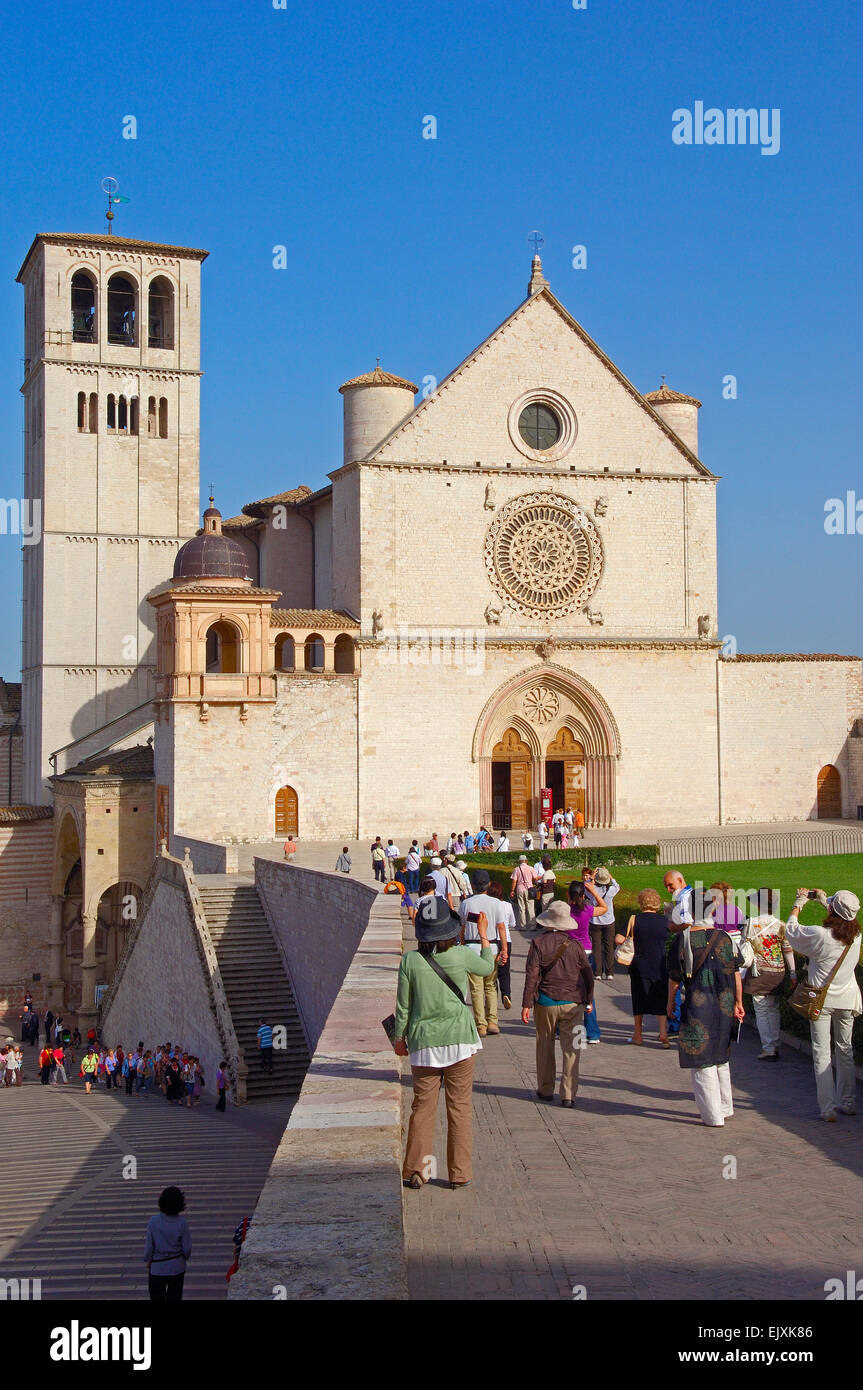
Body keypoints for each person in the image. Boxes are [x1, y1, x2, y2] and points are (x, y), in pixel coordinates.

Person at [395, 894, 495, 1190]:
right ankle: (459, 1173)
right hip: (460, 1041)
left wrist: (399, 1039)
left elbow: (403, 1006)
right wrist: (485, 937)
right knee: (460, 1107)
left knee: (423, 1107)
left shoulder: (410, 960)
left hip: (424, 1044)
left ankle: (417, 1170)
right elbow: (487, 969)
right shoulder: (462, 954)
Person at [785, 888, 861, 1121]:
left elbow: (791, 931)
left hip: (821, 1000)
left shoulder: (820, 934)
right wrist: (823, 900)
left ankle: (827, 1108)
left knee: (822, 1053)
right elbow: (841, 916)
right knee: (845, 1050)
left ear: (833, 911)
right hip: (847, 999)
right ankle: (847, 1101)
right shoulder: (857, 937)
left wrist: (798, 903)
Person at [667, 917, 744, 1126]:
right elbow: (736, 973)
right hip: (725, 1002)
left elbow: (675, 977)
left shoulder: (684, 939)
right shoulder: (726, 937)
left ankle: (713, 1115)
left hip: (698, 1003)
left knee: (701, 1058)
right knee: (721, 1054)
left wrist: (669, 1003)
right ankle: (726, 1107)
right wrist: (739, 1001)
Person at [522, 900, 595, 1107]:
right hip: (573, 1003)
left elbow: (532, 975)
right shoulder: (576, 946)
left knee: (544, 1045)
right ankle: (569, 1094)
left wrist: (527, 1003)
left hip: (545, 1001)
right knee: (573, 1048)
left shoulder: (538, 944)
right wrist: (588, 999)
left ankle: (545, 1089)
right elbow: (588, 976)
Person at [742, 888, 796, 1060]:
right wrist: (793, 973)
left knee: (761, 1010)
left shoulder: (751, 923)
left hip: (759, 972)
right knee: (773, 1009)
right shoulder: (781, 925)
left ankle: (768, 1048)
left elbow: (744, 948)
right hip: (778, 971)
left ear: (758, 904)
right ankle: (775, 1042)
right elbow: (788, 951)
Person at [616, 889, 671, 1046]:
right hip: (659, 964)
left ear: (641, 902)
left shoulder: (635, 919)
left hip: (639, 964)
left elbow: (619, 938)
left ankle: (638, 1035)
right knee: (661, 998)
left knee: (638, 998)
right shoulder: (664, 921)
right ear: (657, 903)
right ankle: (663, 1033)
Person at [458, 869, 508, 1037]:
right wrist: (504, 949)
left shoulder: (466, 903)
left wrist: (461, 942)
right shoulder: (496, 903)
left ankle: (481, 1024)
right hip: (492, 946)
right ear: (488, 884)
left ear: (472, 885)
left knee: (476, 988)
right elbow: (501, 927)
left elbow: (462, 927)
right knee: (491, 986)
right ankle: (493, 1021)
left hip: (471, 949)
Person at [567, 878, 607, 1043]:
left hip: (570, 950)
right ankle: (593, 1033)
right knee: (588, 992)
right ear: (583, 896)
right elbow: (604, 908)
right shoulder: (588, 910)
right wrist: (594, 891)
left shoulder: (566, 910)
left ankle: (564, 1028)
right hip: (586, 950)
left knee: (567, 990)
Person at [145, 1186, 192, 1301]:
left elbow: (149, 1247)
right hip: (177, 1266)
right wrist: (181, 1259)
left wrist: (148, 1261)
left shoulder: (153, 1222)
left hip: (157, 1267)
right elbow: (187, 1249)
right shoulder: (182, 1223)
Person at [663, 870, 695, 1034]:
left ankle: (675, 1022)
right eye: (666, 887)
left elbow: (688, 922)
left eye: (670, 885)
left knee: (675, 981)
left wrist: (671, 925)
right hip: (689, 943)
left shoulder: (684, 897)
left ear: (680, 880)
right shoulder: (688, 895)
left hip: (685, 943)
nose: (668, 889)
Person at [587, 866, 621, 980]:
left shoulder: (592, 890)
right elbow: (617, 886)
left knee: (596, 947)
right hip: (609, 920)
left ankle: (597, 973)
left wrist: (591, 877)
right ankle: (610, 972)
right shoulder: (610, 890)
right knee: (609, 946)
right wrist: (611, 877)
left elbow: (584, 886)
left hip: (595, 920)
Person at [486, 880, 515, 1010]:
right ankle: (506, 994)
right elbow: (512, 923)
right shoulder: (507, 906)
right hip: (506, 940)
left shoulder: (487, 905)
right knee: (505, 970)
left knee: (491, 970)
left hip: (491, 939)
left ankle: (492, 997)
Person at [510, 854, 535, 931]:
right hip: (529, 889)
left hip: (520, 889)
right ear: (526, 861)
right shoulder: (530, 868)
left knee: (521, 908)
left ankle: (522, 926)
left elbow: (514, 880)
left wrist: (512, 890)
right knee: (530, 907)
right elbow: (535, 877)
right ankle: (532, 926)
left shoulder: (517, 869)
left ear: (519, 861)